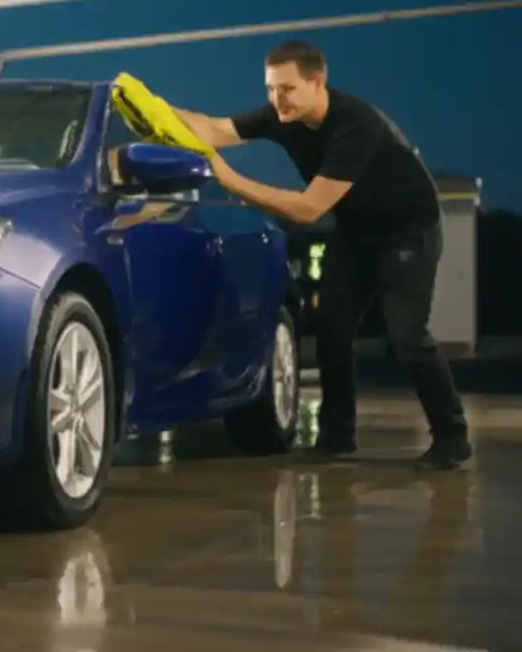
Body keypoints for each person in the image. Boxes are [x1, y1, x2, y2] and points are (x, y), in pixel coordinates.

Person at [169, 39, 471, 470]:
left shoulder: (355, 124)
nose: (277, 99)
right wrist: (151, 106)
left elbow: (309, 209)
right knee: (332, 330)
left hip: (408, 229)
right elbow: (214, 130)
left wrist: (230, 180)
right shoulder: (283, 115)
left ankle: (452, 438)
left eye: (287, 88)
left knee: (407, 335)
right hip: (356, 230)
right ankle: (336, 437)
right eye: (271, 89)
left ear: (317, 82)